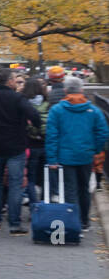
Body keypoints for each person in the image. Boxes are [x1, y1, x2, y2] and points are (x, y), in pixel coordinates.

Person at [0, 68, 41, 235]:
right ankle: (14, 223)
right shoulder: (17, 98)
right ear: (10, 81)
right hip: (16, 146)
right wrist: (33, 128)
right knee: (15, 185)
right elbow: (34, 115)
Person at [45, 75, 107, 229]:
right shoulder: (93, 110)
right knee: (84, 188)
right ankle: (84, 220)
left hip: (65, 156)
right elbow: (103, 132)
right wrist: (96, 149)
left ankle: (73, 222)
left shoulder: (57, 110)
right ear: (81, 90)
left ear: (65, 90)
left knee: (69, 189)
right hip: (86, 154)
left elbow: (52, 136)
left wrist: (52, 158)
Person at [22, 79, 50, 199]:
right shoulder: (47, 103)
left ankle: (35, 206)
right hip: (45, 143)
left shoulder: (24, 103)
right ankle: (45, 204)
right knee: (45, 176)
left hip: (30, 144)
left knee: (31, 177)